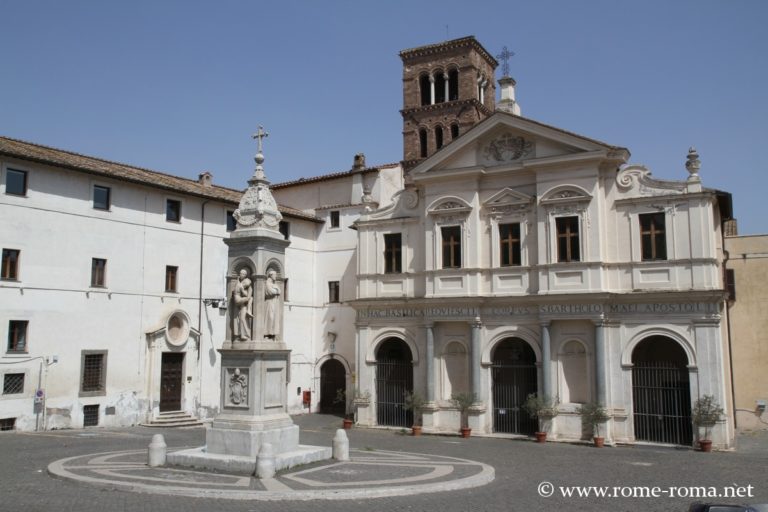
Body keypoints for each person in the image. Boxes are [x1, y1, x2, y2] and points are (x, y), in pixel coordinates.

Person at [232, 269, 253, 340]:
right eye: (241, 274)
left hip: (238, 301)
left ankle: (242, 334)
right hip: (238, 300)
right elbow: (246, 295)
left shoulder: (238, 282)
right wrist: (245, 291)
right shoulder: (241, 285)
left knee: (241, 318)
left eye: (243, 274)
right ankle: (249, 310)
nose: (241, 275)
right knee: (250, 298)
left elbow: (233, 291)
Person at [264, 269, 280, 339]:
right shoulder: (267, 283)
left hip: (274, 302)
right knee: (270, 317)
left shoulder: (274, 284)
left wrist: (276, 290)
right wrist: (276, 290)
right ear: (271, 275)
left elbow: (279, 291)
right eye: (275, 275)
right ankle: (267, 333)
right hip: (269, 302)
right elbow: (271, 292)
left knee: (274, 318)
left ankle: (272, 334)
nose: (275, 277)